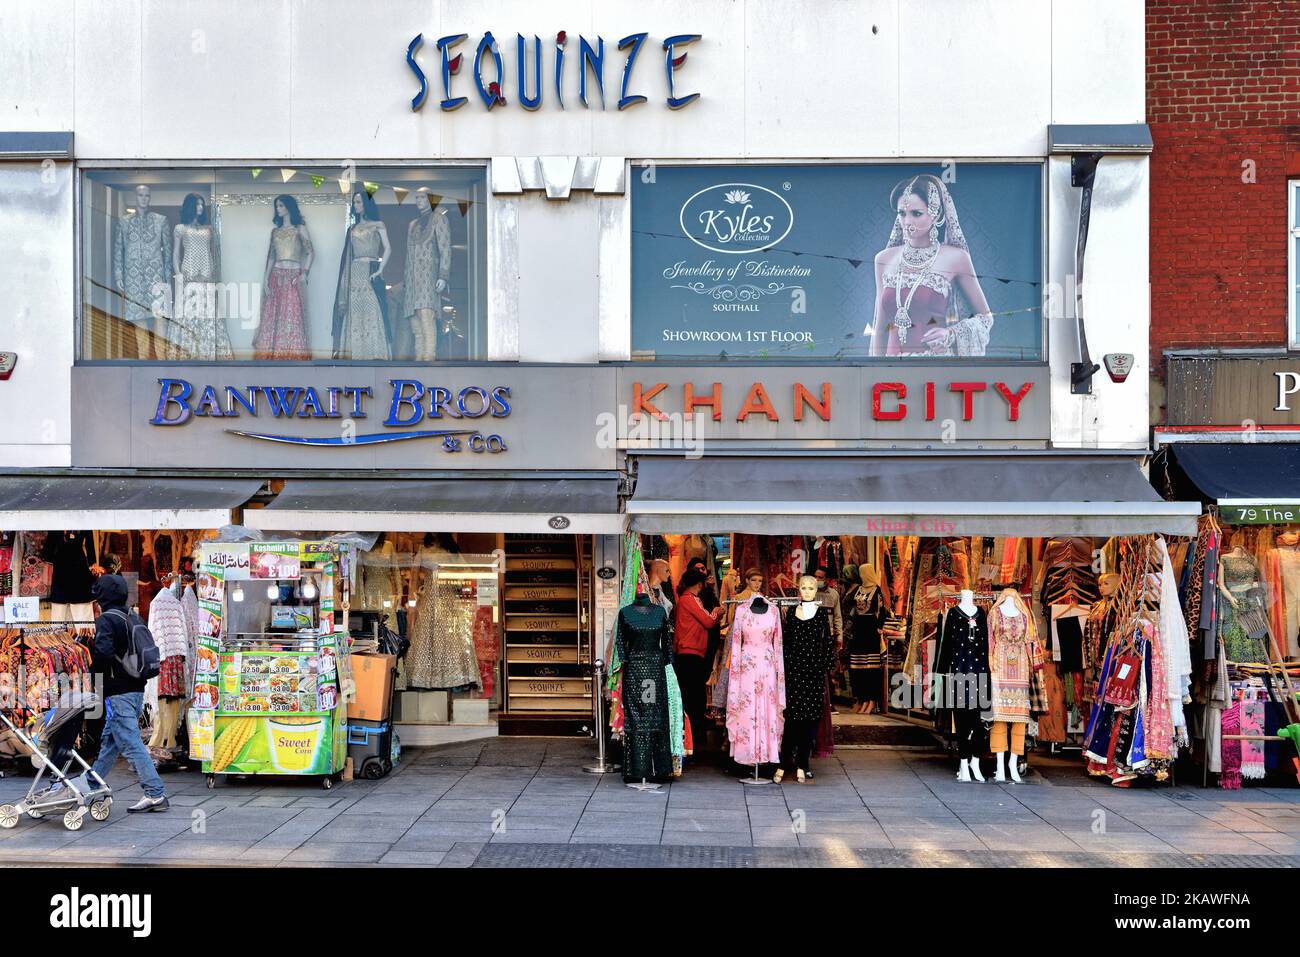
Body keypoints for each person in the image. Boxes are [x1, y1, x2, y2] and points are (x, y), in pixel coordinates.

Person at [868, 173, 995, 357]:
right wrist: (872, 373)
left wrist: (951, 334)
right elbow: (880, 328)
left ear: (936, 215)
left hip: (935, 369)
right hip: (890, 370)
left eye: (916, 214)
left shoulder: (956, 258)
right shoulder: (884, 259)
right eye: (902, 214)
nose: (907, 222)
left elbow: (985, 318)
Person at [88, 573, 169, 813]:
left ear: (103, 596)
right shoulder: (133, 616)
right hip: (135, 688)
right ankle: (93, 784)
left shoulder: (107, 620)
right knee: (110, 742)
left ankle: (155, 793)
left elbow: (103, 655)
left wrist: (94, 677)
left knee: (131, 743)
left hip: (118, 691)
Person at [673, 566, 724, 761]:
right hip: (691, 653)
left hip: (686, 652)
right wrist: (718, 612)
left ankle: (691, 740)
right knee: (694, 698)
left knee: (690, 696)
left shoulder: (684, 600)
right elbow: (708, 621)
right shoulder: (691, 600)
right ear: (699, 584)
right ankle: (694, 740)